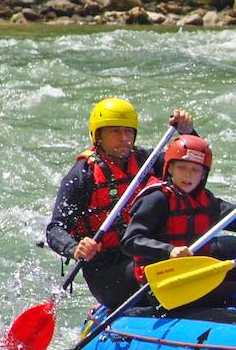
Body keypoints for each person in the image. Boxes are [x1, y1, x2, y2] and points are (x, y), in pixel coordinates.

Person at [44, 97, 194, 308]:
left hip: (146, 250)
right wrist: (75, 248)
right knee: (159, 268)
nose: (124, 138)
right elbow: (54, 229)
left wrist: (188, 133)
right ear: (98, 137)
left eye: (128, 131)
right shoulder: (82, 176)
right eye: (115, 131)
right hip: (106, 271)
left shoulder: (146, 161)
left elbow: (192, 169)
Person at [121, 134, 236, 309]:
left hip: (194, 275)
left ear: (203, 174)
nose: (188, 175)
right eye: (182, 167)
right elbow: (130, 241)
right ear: (170, 169)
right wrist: (169, 251)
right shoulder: (157, 199)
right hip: (164, 285)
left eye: (195, 170)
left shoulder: (205, 200)